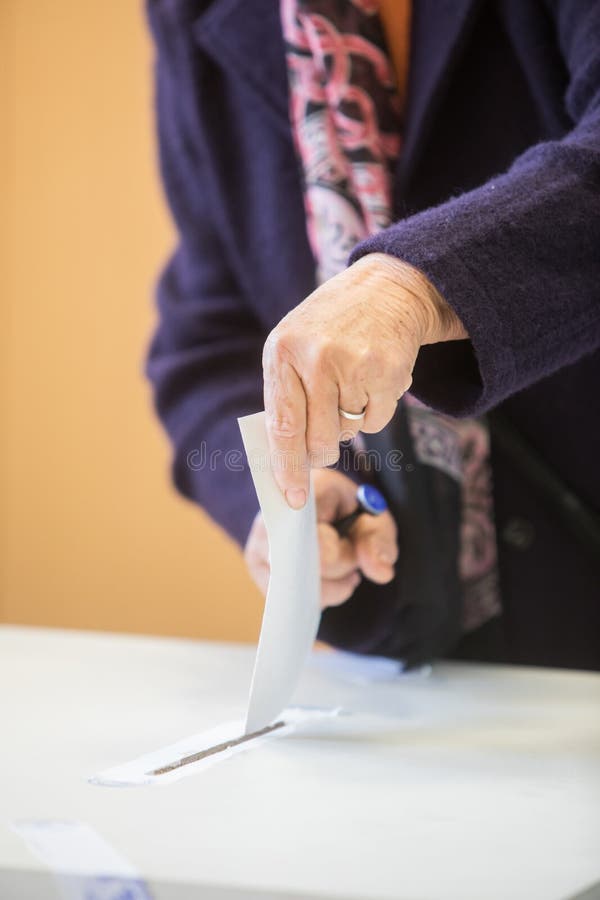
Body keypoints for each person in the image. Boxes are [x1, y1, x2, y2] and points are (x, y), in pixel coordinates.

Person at [146, 0, 600, 671]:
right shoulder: (188, 12)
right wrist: (282, 497)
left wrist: (415, 287)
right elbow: (207, 338)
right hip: (420, 655)